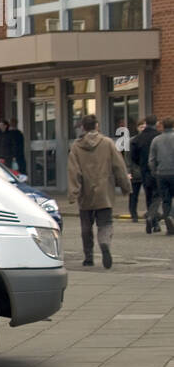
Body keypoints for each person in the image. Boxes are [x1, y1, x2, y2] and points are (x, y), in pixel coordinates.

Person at [67, 114, 131, 268]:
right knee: (105, 223)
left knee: (86, 227)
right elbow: (119, 166)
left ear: (83, 127)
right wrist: (125, 186)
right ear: (96, 126)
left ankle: (88, 257)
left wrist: (73, 192)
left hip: (86, 193)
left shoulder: (76, 146)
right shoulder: (108, 143)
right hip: (104, 192)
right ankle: (104, 243)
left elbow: (73, 171)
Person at [131, 115, 159, 229]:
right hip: (158, 170)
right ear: (156, 123)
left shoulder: (137, 139)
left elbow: (133, 157)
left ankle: (152, 221)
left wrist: (141, 164)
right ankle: (154, 219)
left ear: (146, 124)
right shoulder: (158, 137)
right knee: (158, 196)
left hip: (145, 170)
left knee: (149, 196)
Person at [148, 117, 174, 236]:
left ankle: (169, 226)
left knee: (165, 199)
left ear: (162, 126)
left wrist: (154, 171)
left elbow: (151, 160)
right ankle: (171, 216)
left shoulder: (156, 140)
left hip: (161, 173)